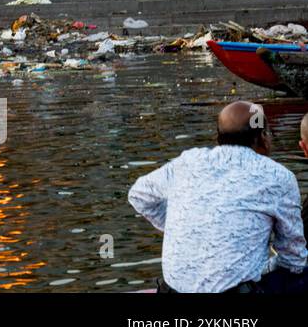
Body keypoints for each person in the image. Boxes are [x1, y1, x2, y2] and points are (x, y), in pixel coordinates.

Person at [128, 101, 306, 293]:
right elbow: (294, 258)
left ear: (217, 137)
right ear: (262, 137)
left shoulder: (188, 162)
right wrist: (265, 265)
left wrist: (185, 226)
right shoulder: (278, 176)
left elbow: (139, 196)